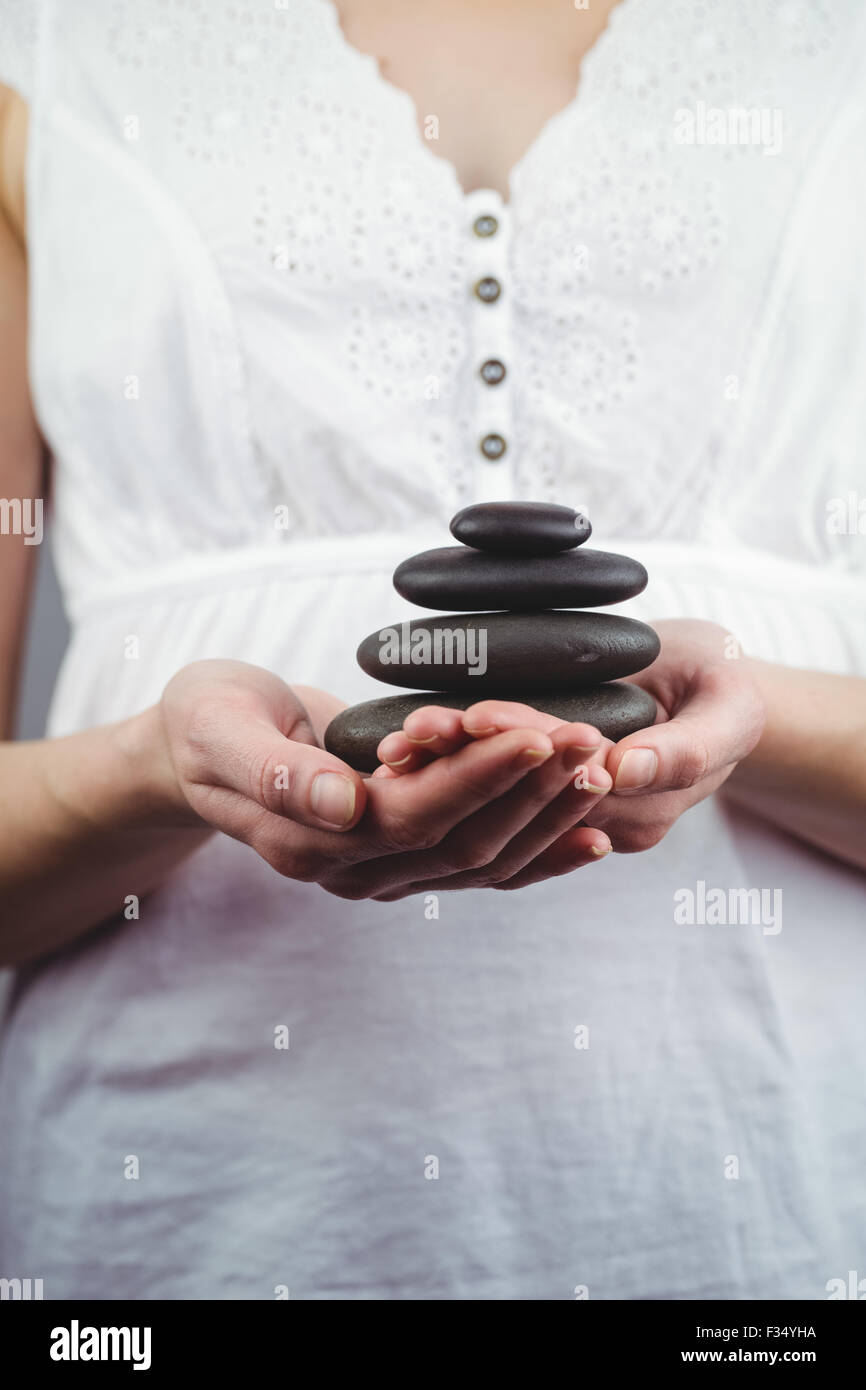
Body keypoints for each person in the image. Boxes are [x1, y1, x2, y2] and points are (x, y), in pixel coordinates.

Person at [0, 0, 864, 1300]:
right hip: (179, 1235)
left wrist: (751, 715)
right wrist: (151, 770)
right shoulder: (45, 56)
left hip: (769, 1227)